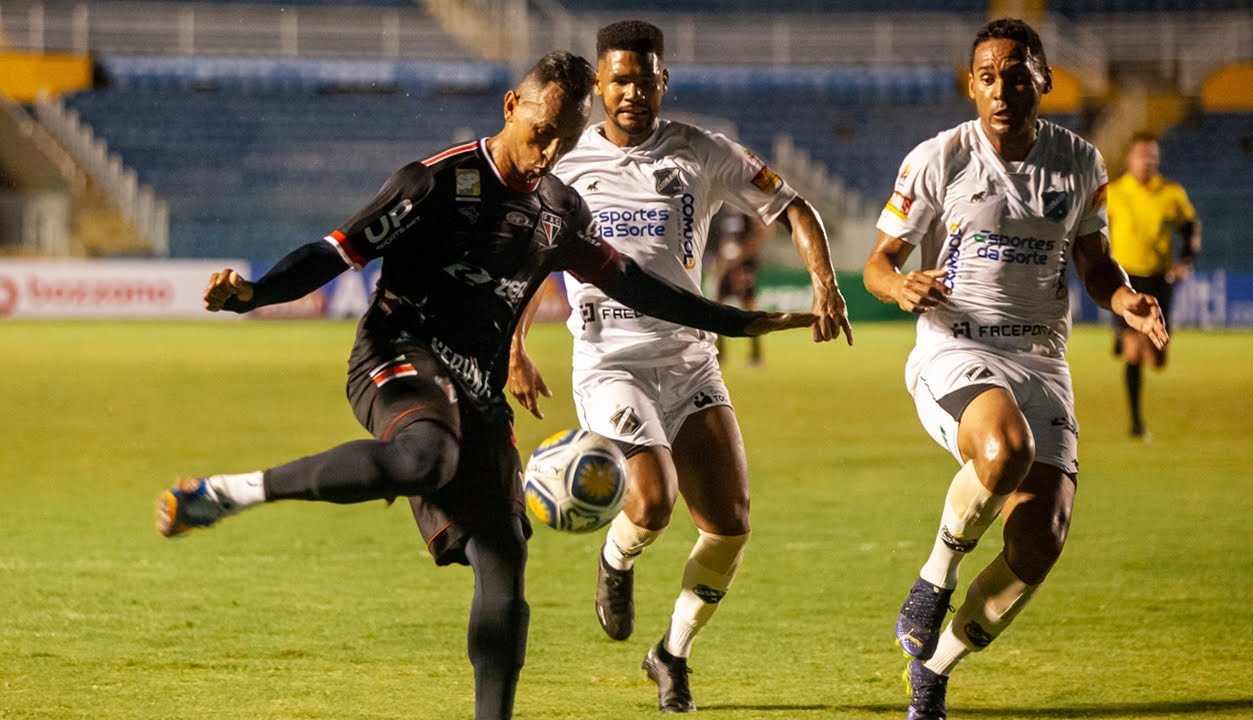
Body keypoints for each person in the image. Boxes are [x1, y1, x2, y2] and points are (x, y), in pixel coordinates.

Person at [153, 50, 815, 720]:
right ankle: (229, 494)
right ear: (510, 106)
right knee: (425, 456)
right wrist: (254, 294)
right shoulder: (434, 184)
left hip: (477, 392)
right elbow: (338, 250)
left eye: (564, 137)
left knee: (503, 560)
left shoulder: (559, 209)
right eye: (540, 132)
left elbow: (636, 285)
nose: (548, 151)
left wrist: (740, 321)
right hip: (398, 352)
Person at [506, 20, 852, 713]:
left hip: (691, 360)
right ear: (599, 85)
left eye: (645, 78)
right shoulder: (565, 161)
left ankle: (671, 654)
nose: (632, 91)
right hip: (610, 359)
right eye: (619, 79)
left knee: (729, 524)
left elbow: (794, 206)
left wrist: (824, 281)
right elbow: (529, 258)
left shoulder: (702, 151)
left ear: (664, 81)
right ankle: (617, 560)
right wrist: (514, 346)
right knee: (655, 498)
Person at [862, 19, 1168, 720]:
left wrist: (1124, 298)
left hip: (1042, 358)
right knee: (1005, 451)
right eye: (988, 77)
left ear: (1045, 79)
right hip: (957, 345)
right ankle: (934, 577)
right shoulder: (938, 158)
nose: (1002, 89)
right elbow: (879, 262)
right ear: (972, 85)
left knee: (1041, 539)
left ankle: (935, 670)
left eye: (1016, 74)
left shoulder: (1082, 162)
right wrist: (900, 286)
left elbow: (1092, 262)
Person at [1107, 130, 1200, 440]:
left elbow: (1190, 228)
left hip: (1160, 278)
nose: (1147, 161)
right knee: (1135, 351)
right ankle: (1136, 422)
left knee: (1158, 358)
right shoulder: (1114, 193)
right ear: (1130, 158)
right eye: (1142, 155)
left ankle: (1126, 339)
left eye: (1152, 156)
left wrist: (1186, 261)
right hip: (1125, 278)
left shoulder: (1171, 193)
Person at [711, 208, 768, 366]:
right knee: (716, 308)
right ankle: (720, 353)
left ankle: (756, 355)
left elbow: (761, 233)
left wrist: (741, 255)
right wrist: (721, 262)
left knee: (749, 311)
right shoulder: (725, 213)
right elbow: (727, 240)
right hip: (727, 268)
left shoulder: (747, 212)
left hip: (744, 268)